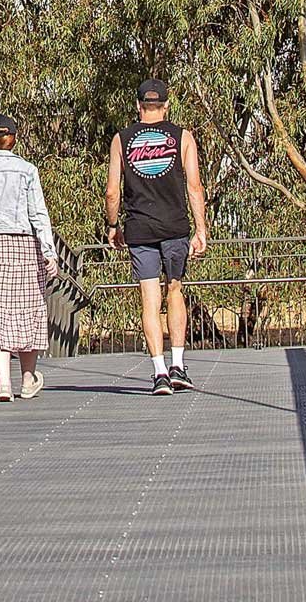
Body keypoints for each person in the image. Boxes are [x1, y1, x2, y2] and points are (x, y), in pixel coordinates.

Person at [104, 78, 208, 394]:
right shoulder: (183, 137)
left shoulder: (121, 139)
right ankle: (178, 365)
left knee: (149, 301)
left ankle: (159, 373)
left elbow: (112, 191)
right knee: (174, 290)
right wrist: (201, 228)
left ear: (138, 106)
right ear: (166, 105)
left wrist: (112, 225)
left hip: (140, 228)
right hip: (175, 226)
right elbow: (194, 186)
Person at [0, 114, 58, 401]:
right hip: (22, 244)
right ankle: (28, 379)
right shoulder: (27, 170)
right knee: (27, 309)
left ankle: (4, 383)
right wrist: (49, 251)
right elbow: (38, 213)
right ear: (14, 138)